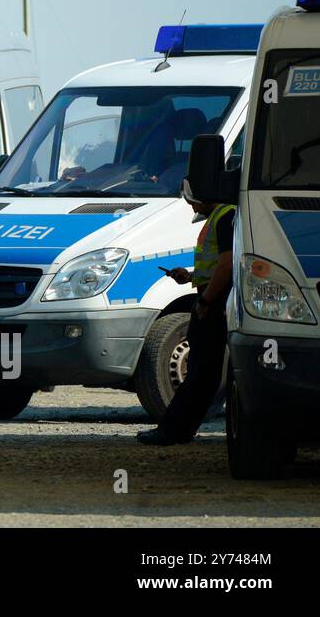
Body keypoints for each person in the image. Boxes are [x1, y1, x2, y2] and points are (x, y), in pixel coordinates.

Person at [137, 181, 236, 446]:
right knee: (204, 373)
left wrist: (205, 301)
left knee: (201, 372)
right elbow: (217, 265)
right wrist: (190, 276)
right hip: (215, 299)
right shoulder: (220, 216)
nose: (191, 206)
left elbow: (227, 264)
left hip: (215, 303)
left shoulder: (225, 216)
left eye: (192, 200)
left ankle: (173, 430)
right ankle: (178, 429)